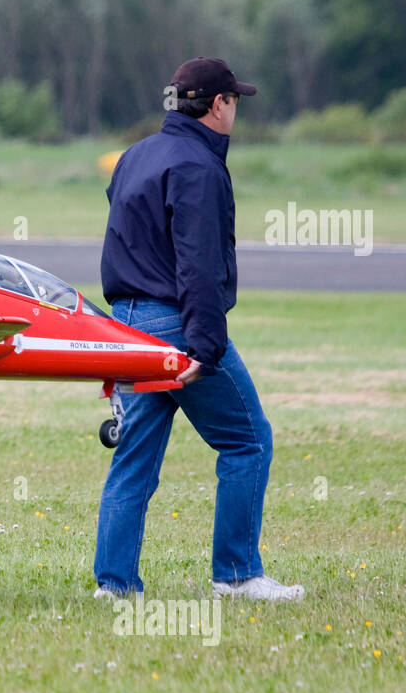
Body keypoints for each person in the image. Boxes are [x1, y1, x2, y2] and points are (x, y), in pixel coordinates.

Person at [93, 57, 304, 602]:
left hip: (128, 322)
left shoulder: (135, 155)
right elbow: (199, 266)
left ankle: (115, 586)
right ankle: (237, 575)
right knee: (248, 441)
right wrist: (205, 349)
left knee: (135, 457)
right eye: (234, 101)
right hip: (179, 324)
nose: (236, 110)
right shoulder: (201, 168)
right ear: (218, 105)